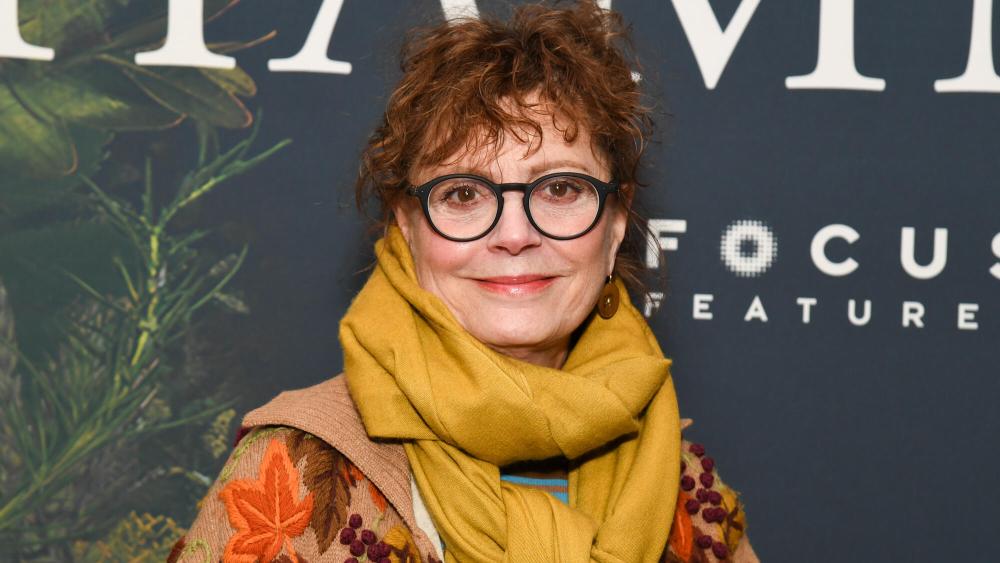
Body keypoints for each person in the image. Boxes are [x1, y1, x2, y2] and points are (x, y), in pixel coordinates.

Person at [170, 2, 758, 562]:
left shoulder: (685, 489)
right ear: (406, 224)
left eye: (559, 189)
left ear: (616, 223)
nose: (514, 235)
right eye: (462, 194)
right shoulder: (295, 469)